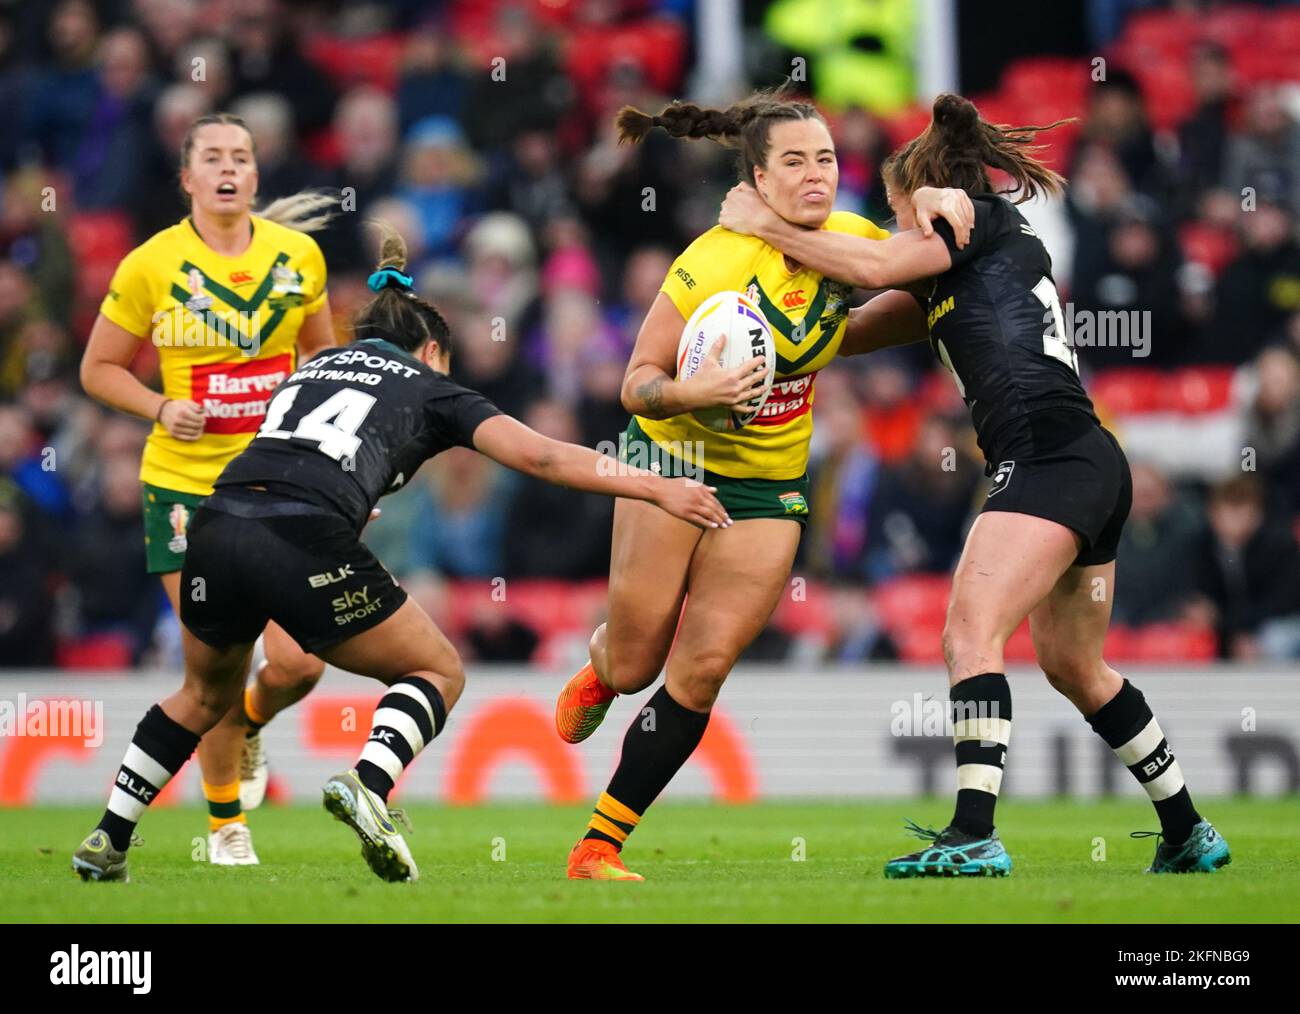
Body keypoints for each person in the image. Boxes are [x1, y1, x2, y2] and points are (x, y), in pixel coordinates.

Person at [71, 225, 730, 884]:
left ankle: (107, 838)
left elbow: (304, 451)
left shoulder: (313, 368)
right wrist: (657, 485)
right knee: (436, 671)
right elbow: (543, 455)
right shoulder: (431, 385)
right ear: (434, 350)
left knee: (200, 696)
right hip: (302, 535)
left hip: (218, 526)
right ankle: (369, 784)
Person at [719, 93, 1230, 876]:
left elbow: (875, 262)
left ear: (928, 196)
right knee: (1075, 668)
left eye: (898, 208)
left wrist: (762, 224)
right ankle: (1188, 831)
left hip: (1049, 458)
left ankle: (974, 833)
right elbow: (844, 333)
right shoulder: (958, 264)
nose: (897, 223)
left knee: (968, 633)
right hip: (1087, 462)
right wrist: (751, 324)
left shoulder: (969, 220)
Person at [551, 86, 972, 881]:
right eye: (794, 162)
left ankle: (597, 846)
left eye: (825, 159)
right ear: (756, 177)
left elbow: (920, 289)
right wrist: (690, 393)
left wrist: (937, 204)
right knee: (640, 664)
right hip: (669, 460)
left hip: (770, 483)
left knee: (703, 666)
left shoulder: (847, 241)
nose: (816, 174)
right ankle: (603, 665)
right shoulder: (710, 260)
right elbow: (635, 383)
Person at [79, 112, 336, 865]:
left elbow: (326, 365)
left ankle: (252, 722)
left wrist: (338, 465)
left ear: (256, 177)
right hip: (186, 494)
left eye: (243, 157)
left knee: (299, 663)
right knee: (214, 667)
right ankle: (227, 832)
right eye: (213, 157)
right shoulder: (150, 265)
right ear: (187, 178)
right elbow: (98, 369)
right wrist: (160, 406)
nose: (229, 168)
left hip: (282, 487)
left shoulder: (299, 258)